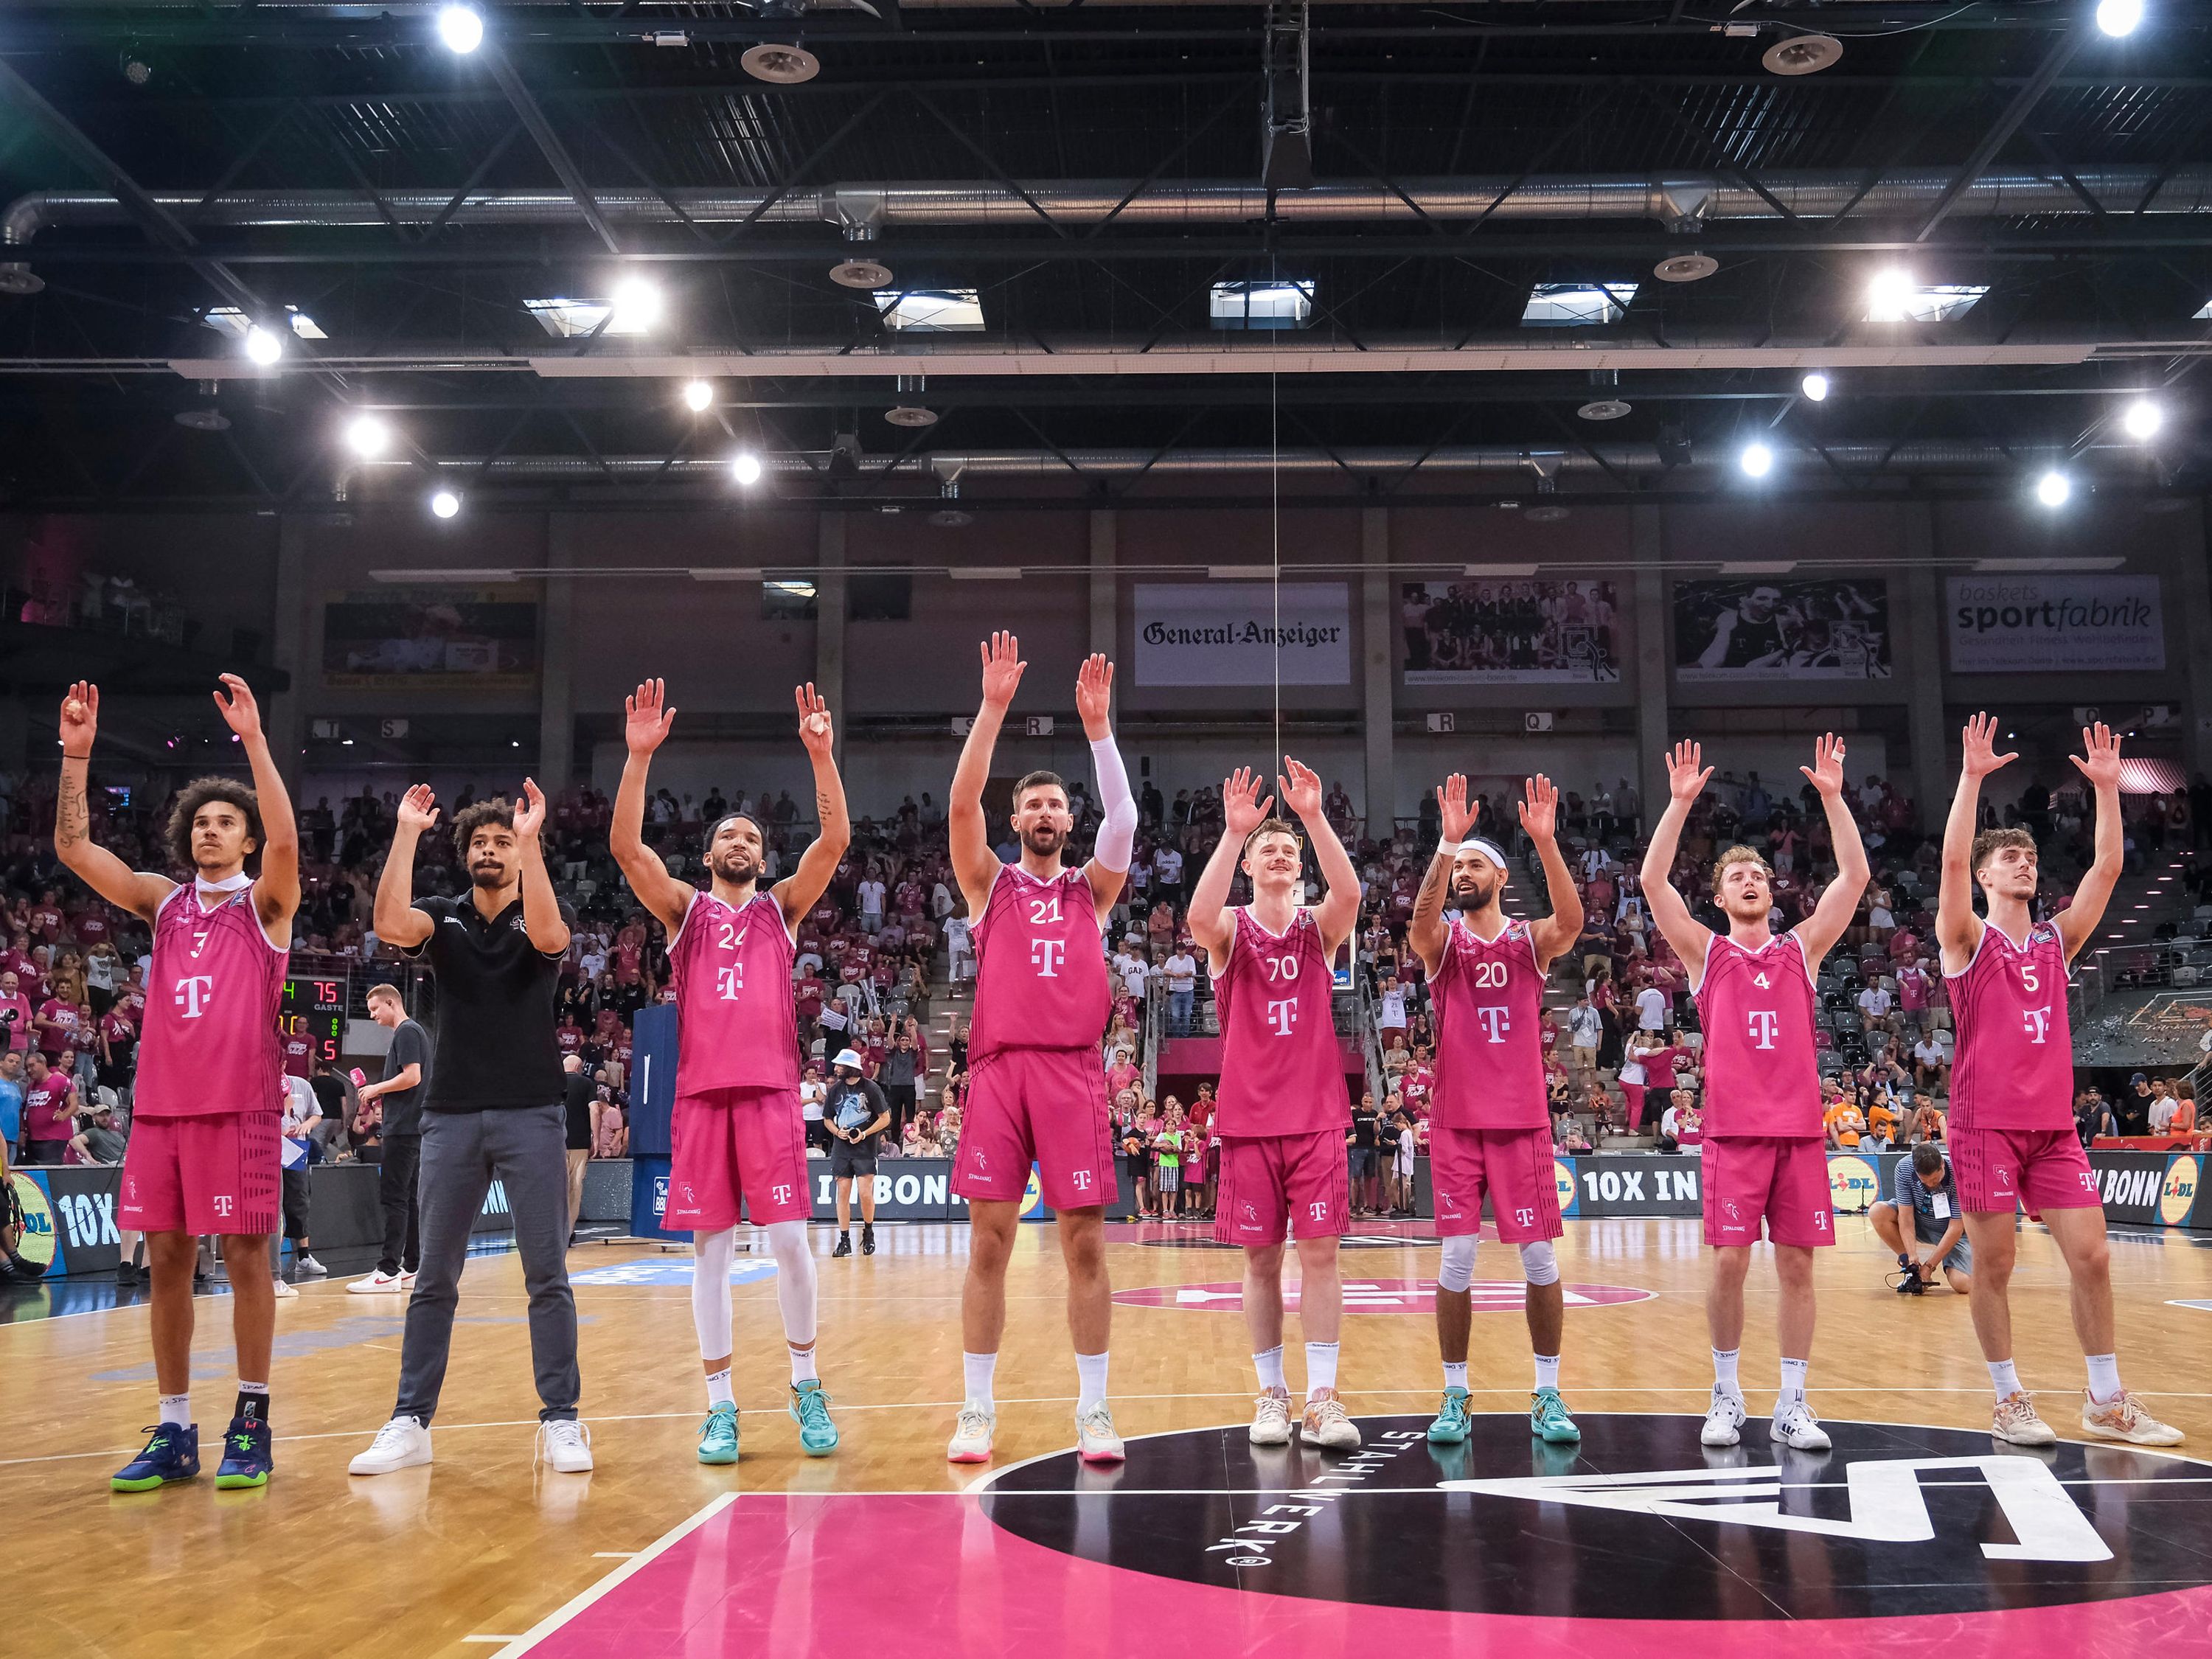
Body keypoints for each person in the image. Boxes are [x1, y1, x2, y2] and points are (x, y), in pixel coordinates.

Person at [57, 675, 298, 1492]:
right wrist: (77, 756)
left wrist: (256, 743)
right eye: (200, 822)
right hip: (161, 1107)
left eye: (226, 822)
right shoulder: (163, 902)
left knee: (246, 1260)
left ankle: (253, 1418)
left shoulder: (267, 905)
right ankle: (173, 1427)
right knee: (165, 1261)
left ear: (245, 838)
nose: (211, 832)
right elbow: (74, 852)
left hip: (240, 1106)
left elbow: (289, 847)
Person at [609, 678, 850, 1462]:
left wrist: (822, 757)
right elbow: (625, 849)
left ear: (763, 855)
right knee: (709, 1256)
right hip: (703, 1100)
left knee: (790, 1247)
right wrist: (638, 758)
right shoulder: (686, 911)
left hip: (774, 1096)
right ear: (709, 855)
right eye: (728, 837)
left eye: (751, 837)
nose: (741, 844)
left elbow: (835, 842)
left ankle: (806, 1386)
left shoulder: (782, 907)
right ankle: (720, 1407)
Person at [1936, 714, 2182, 1447]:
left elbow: (2106, 870)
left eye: (2026, 856)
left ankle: (2105, 1398)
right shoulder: (1966, 940)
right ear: (1986, 875)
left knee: (2094, 1256)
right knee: (1997, 1264)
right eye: (2007, 857)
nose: (2021, 863)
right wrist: (1971, 779)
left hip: (2052, 1128)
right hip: (1984, 1125)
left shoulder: (2055, 939)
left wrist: (2109, 789)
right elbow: (1950, 867)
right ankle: (2009, 1400)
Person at [348, 782, 591, 1478]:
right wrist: (404, 832)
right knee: (433, 1280)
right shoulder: (442, 919)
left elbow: (550, 938)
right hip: (450, 1115)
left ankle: (562, 1420)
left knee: (546, 1274)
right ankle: (410, 1420)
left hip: (532, 1112)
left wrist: (533, 840)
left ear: (519, 855)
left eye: (501, 842)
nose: (490, 850)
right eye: (480, 843)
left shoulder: (547, 907)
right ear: (465, 857)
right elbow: (391, 923)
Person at [1642, 734, 1867, 1452]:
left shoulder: (1800, 948)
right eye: (1735, 876)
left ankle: (1794, 1403)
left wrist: (1833, 799)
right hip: (1734, 1132)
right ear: (1718, 895)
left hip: (1799, 1130)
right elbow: (1653, 884)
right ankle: (1727, 1393)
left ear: (1771, 892)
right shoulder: (1706, 954)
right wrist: (1678, 806)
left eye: (1757, 876)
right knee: (1731, 1264)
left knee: (1798, 1267)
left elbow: (1854, 877)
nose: (1748, 881)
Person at [944, 636, 1135, 1466]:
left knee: (1085, 1242)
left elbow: (1124, 819)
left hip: (1071, 1072)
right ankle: (976, 1410)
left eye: (1060, 806)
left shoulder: (1093, 891)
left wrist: (1099, 732)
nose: (1050, 814)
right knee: (991, 1240)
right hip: (998, 1073)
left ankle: (1094, 1410)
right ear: (1018, 821)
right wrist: (991, 708)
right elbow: (959, 810)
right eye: (1036, 807)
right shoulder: (992, 886)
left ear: (1070, 818)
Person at [1188, 761, 1365, 1450]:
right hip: (1250, 1120)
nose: (1282, 855)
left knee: (1321, 1257)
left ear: (1299, 869)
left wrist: (1314, 818)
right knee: (1261, 1263)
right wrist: (1236, 834)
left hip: (1317, 1115)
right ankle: (1270, 1395)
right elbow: (1199, 917)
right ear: (1252, 868)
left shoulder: (1319, 929)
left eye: (1288, 851)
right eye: (1271, 849)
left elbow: (1349, 894)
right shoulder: (1231, 930)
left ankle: (1322, 1398)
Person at [1408, 772, 1587, 1447]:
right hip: (1457, 1124)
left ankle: (1546, 1392)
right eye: (1459, 867)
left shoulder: (1527, 941)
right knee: (1456, 1262)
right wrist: (1445, 844)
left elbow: (1570, 922)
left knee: (1539, 1263)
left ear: (1500, 876)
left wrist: (1545, 842)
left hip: (1522, 1124)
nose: (1462, 873)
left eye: (1474, 863)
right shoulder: (1445, 945)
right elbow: (1419, 925)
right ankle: (1455, 1394)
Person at [347, 984, 431, 1293]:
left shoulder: (406, 1032)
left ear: (391, 1003)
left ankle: (387, 1270)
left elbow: (412, 1076)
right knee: (409, 1199)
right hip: (414, 1126)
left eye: (374, 1009)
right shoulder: (415, 1032)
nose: (372, 1016)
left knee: (395, 1199)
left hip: (404, 1129)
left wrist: (376, 1089)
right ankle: (412, 1266)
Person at [1869, 1142, 1973, 1297]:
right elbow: (1906, 1218)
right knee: (1877, 1211)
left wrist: (1929, 1267)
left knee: (1963, 1284)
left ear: (1942, 1165)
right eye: (1925, 1182)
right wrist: (1912, 1257)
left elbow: (1956, 1228)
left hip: (1953, 1232)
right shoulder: (1904, 1168)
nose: (1931, 1185)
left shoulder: (1960, 1174)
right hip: (1921, 1222)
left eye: (1935, 1180)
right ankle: (1910, 1270)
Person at [824, 1050, 888, 1254]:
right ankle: (844, 1239)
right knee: (842, 1193)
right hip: (841, 1149)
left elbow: (885, 1118)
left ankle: (868, 1232)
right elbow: (827, 1118)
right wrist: (837, 1132)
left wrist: (865, 1134)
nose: (835, 1069)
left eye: (840, 1066)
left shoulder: (871, 1088)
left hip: (865, 1149)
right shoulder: (835, 1090)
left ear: (850, 1067)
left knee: (864, 1193)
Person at [278, 1069, 324, 1282]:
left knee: (299, 1201)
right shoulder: (262, 1084)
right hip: (271, 1147)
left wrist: (307, 1124)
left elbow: (317, 1114)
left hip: (296, 1148)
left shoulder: (301, 1086)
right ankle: (271, 1261)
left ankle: (304, 1257)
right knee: (273, 1205)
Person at [560, 1054, 594, 1242]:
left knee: (558, 1189)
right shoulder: (586, 1084)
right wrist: (594, 1136)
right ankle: (568, 1232)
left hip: (557, 1143)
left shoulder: (554, 1083)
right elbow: (595, 1110)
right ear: (579, 1067)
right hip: (580, 1143)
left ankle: (556, 1231)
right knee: (575, 1188)